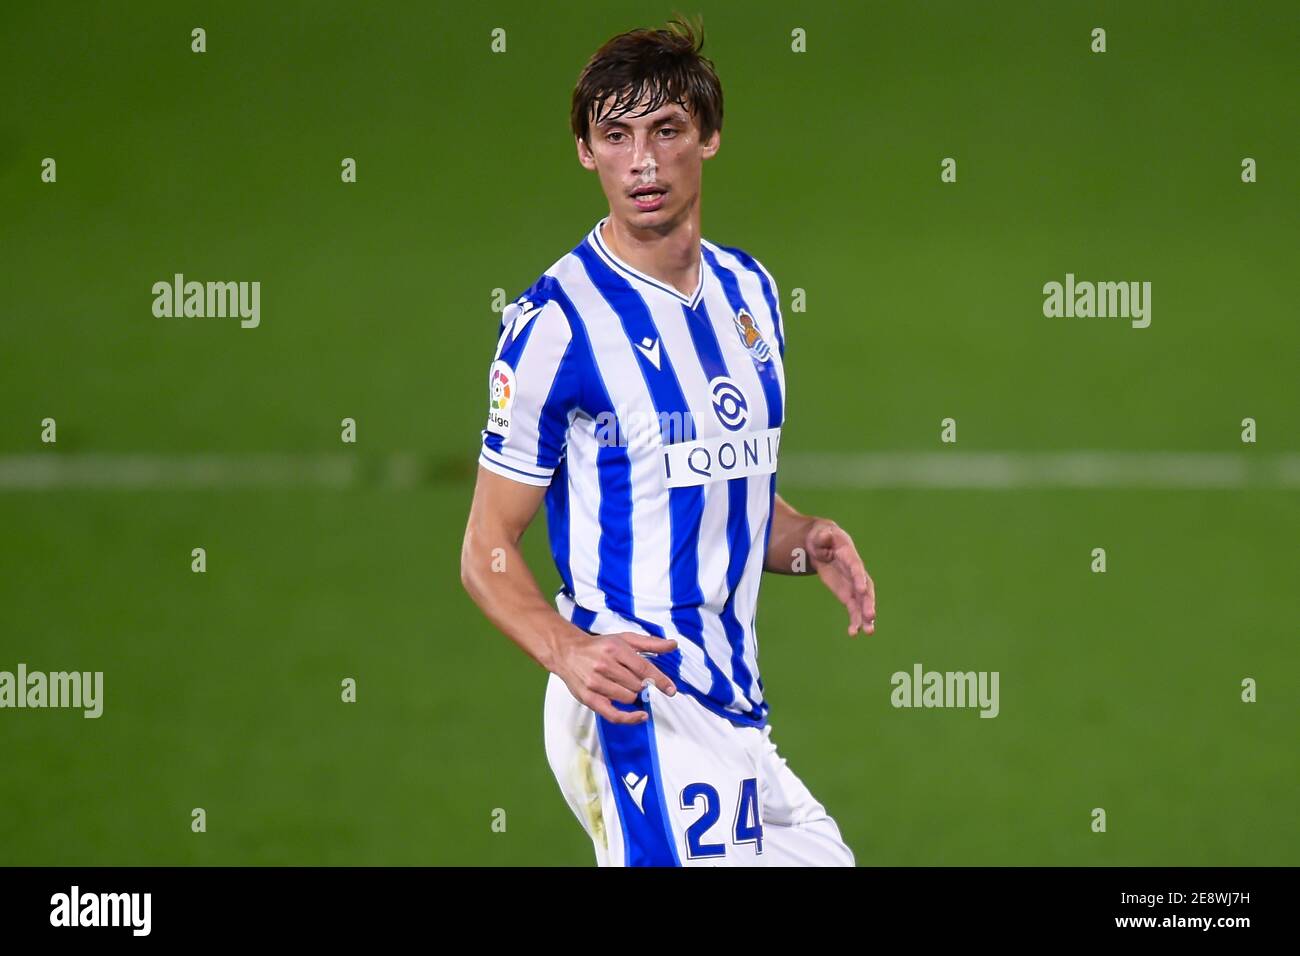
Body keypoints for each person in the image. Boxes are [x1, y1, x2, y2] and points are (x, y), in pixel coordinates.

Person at [460, 17, 875, 866]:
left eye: (666, 131)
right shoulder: (555, 325)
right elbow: (485, 548)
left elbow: (707, 491)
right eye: (616, 136)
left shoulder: (749, 293)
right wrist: (565, 648)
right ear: (586, 152)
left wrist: (801, 539)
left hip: (733, 710)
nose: (642, 161)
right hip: (633, 702)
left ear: (709, 137)